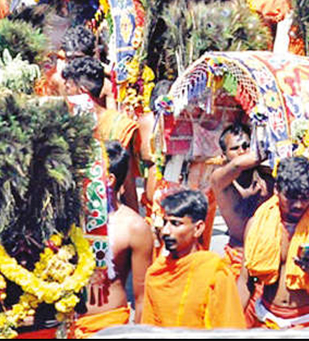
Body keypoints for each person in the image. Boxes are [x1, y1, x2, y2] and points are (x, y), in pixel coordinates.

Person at [244, 155, 309, 329]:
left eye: (304, 197)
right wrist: (229, 325)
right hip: (267, 318)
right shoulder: (257, 224)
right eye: (291, 197)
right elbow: (246, 282)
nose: (298, 205)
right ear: (276, 189)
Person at [73, 142, 153, 335]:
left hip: (108, 326)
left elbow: (142, 298)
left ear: (108, 180)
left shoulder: (134, 227)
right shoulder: (66, 220)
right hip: (63, 325)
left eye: (86, 174)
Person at [139, 188, 245, 328]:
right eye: (165, 223)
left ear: (198, 228)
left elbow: (229, 328)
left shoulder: (214, 274)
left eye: (175, 223)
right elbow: (149, 328)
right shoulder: (156, 273)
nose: (165, 231)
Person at [205, 123, 271, 269]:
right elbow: (237, 165)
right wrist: (269, 149)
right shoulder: (219, 179)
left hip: (269, 255)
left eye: (246, 146)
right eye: (235, 148)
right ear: (223, 155)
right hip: (238, 257)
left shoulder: (267, 178)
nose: (242, 151)